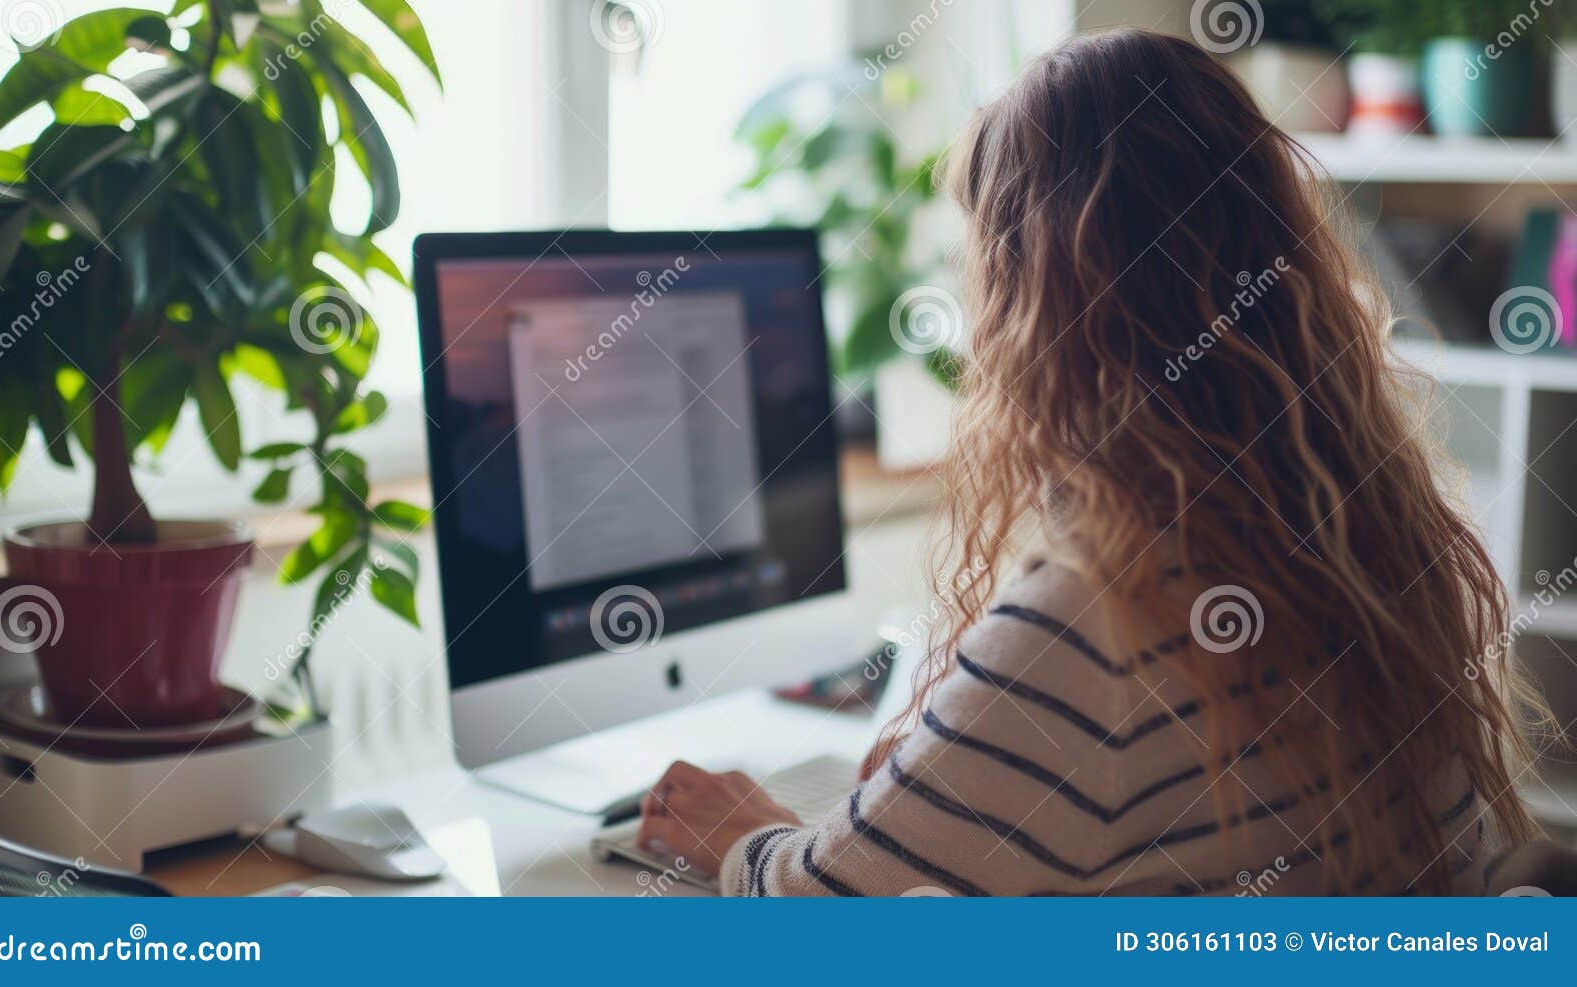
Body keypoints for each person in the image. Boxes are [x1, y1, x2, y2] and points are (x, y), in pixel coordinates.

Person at [636, 27, 1550, 896]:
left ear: (1031, 302)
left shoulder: (1102, 615)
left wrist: (742, 834)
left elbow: (832, 908)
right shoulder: (1370, 525)